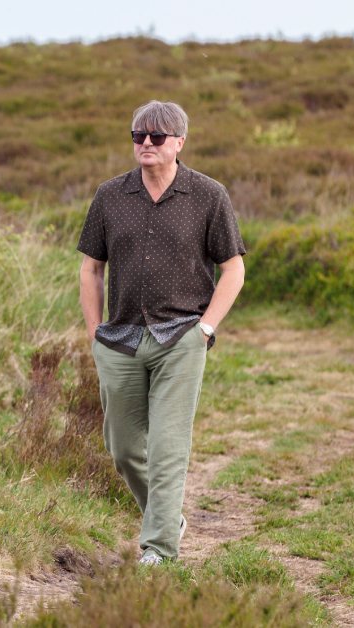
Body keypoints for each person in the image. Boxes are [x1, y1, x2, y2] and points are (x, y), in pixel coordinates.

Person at [77, 100, 246, 565]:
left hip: (182, 338)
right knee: (124, 449)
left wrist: (206, 328)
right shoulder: (110, 196)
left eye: (156, 136)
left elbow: (233, 269)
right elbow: (91, 269)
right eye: (138, 136)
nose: (146, 143)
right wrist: (95, 333)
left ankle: (159, 548)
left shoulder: (209, 195)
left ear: (179, 143)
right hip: (122, 338)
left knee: (169, 448)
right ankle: (168, 516)